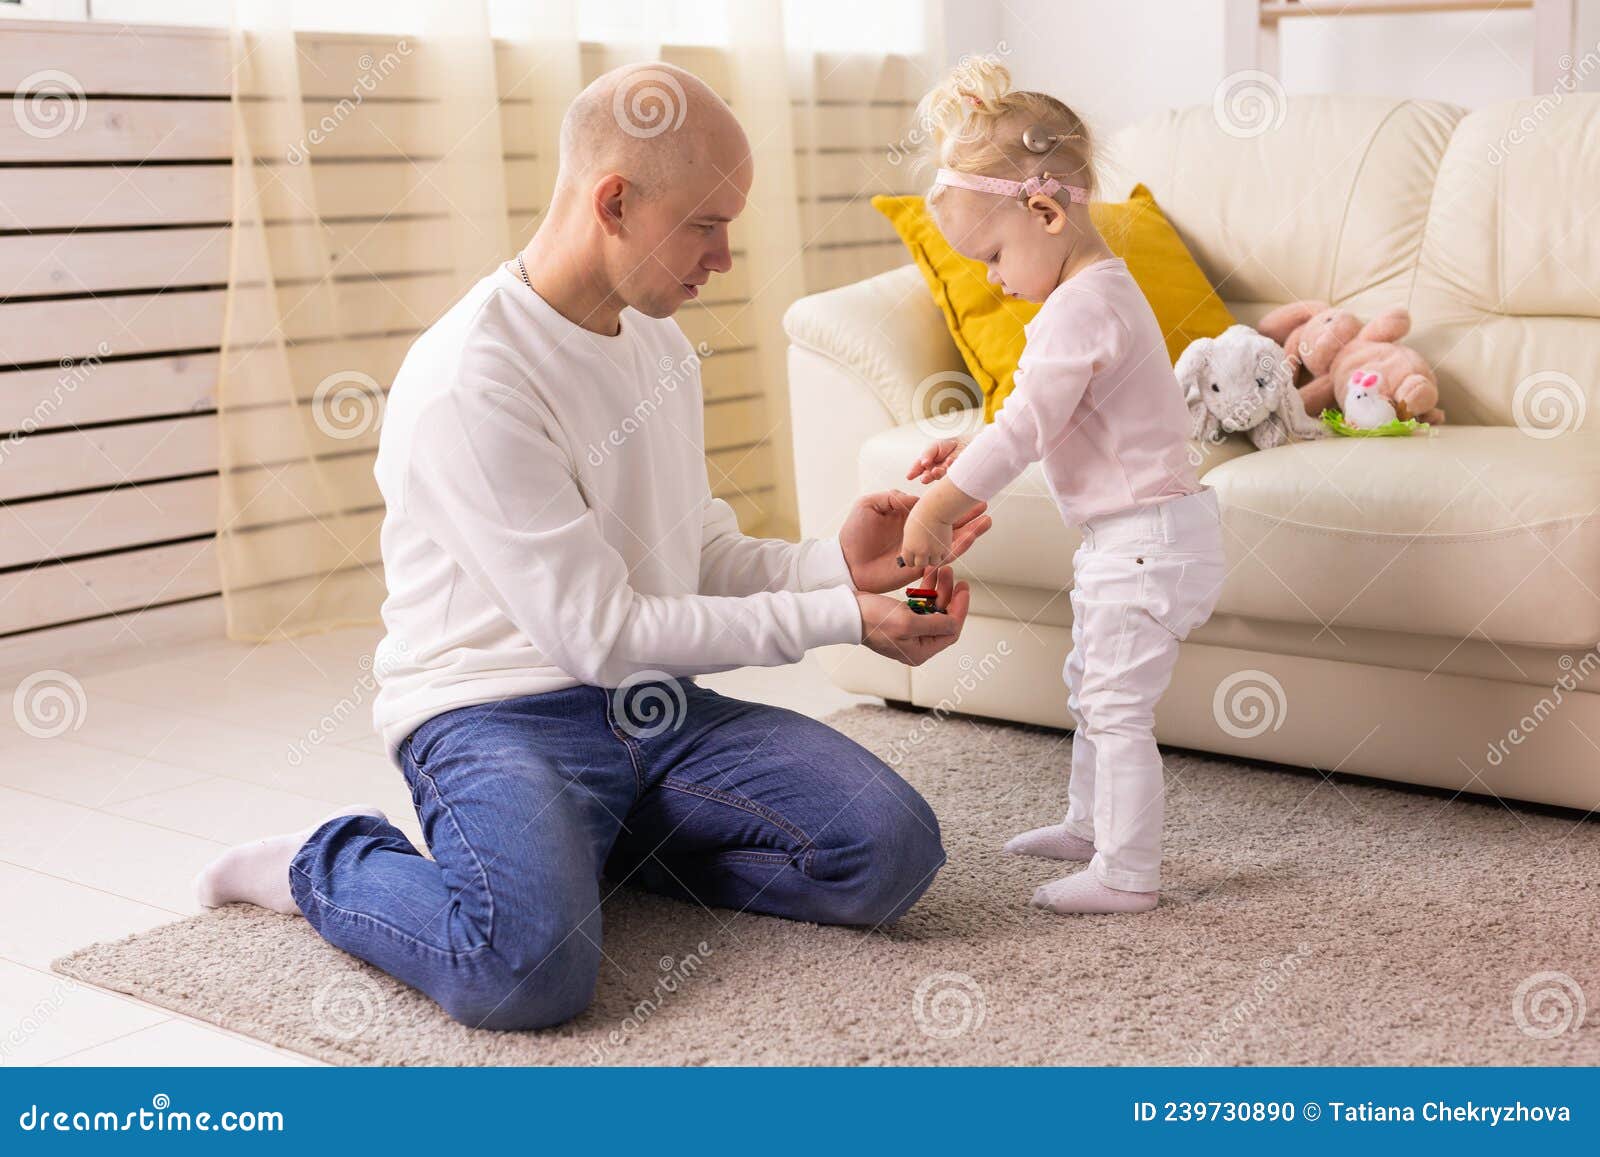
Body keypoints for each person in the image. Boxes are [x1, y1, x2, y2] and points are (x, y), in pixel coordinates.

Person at [194, 62, 993, 1030]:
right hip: (492, 714)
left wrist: (838, 562)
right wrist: (838, 621)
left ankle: (586, 850)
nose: (726, 256)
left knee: (885, 852)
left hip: (653, 705)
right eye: (706, 223)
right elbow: (596, 633)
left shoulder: (655, 343)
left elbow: (691, 550)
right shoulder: (472, 380)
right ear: (614, 201)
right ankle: (322, 857)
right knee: (523, 973)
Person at [897, 62, 1226, 916]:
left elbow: (1025, 431)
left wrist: (943, 506)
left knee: (1116, 706)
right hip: (1138, 536)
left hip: (1145, 539)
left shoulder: (1082, 306)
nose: (995, 279)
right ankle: (1089, 824)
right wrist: (966, 447)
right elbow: (1031, 413)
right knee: (1093, 684)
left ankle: (1128, 871)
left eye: (996, 256)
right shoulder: (1093, 296)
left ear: (1045, 211)